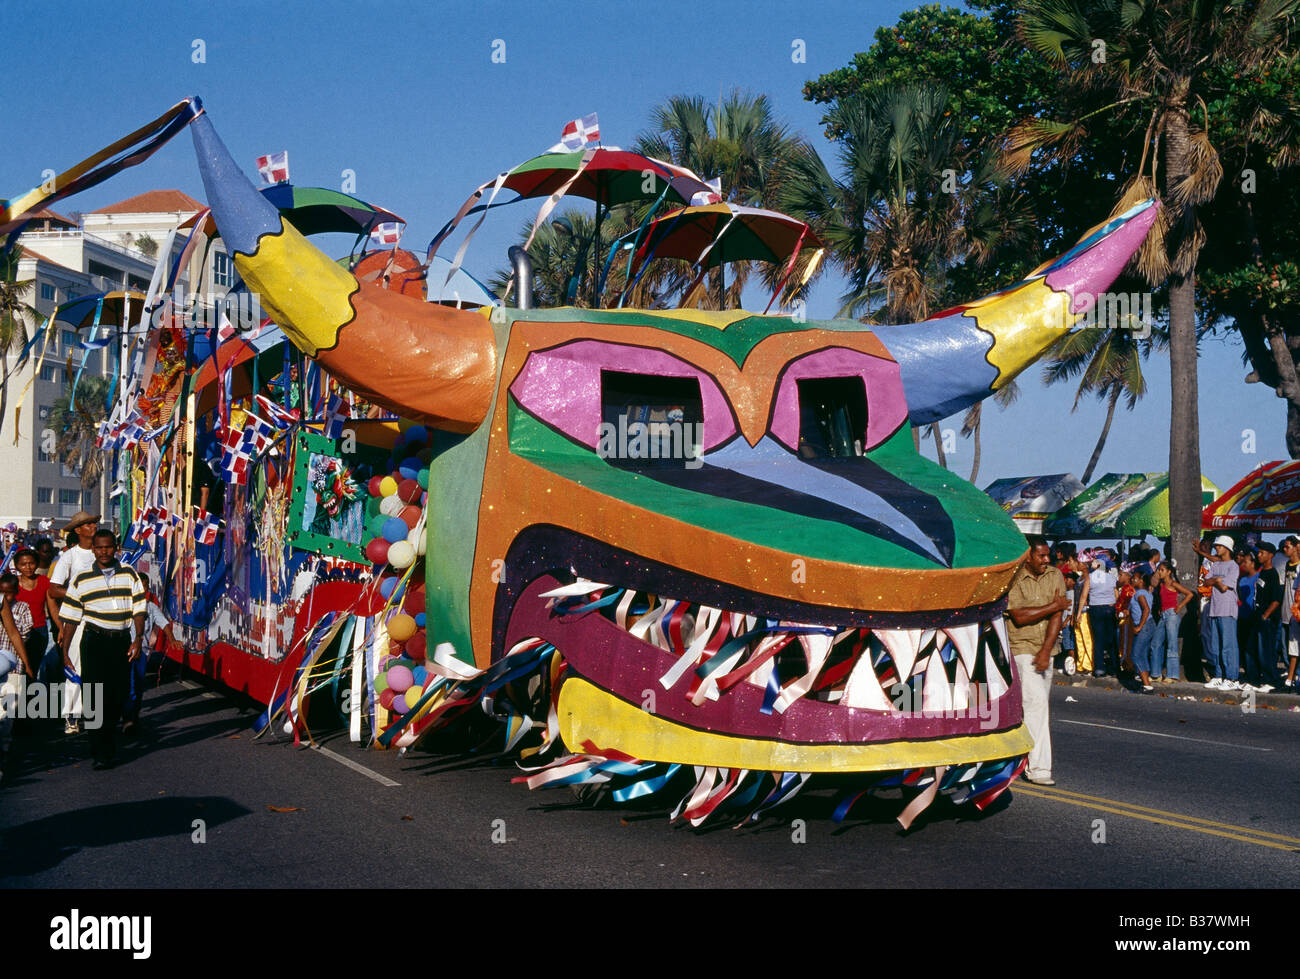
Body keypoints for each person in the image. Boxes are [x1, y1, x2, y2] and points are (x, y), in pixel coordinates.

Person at [58, 530, 146, 770]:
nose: (104, 552)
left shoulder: (129, 574)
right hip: (93, 642)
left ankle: (105, 741)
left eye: (108, 547)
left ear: (115, 547)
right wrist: (65, 652)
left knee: (117, 697)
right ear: (93, 549)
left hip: (120, 642)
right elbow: (71, 619)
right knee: (94, 697)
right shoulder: (82, 578)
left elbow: (139, 610)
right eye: (99, 548)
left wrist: (138, 639)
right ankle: (101, 753)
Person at [1006, 536, 1068, 786]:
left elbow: (1058, 615)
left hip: (1046, 650)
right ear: (1028, 556)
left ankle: (1017, 757)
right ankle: (1039, 768)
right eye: (1041, 556)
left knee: (1032, 709)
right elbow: (1019, 616)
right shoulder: (1015, 578)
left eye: (1047, 555)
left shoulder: (1055, 576)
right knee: (1037, 704)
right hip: (1020, 647)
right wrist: (1052, 605)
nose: (1046, 560)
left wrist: (1046, 650)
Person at [49, 511, 99, 734]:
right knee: (75, 664)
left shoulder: (104, 553)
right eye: (87, 524)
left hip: (103, 617)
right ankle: (71, 716)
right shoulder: (69, 556)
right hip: (78, 618)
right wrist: (79, 593)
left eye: (94, 523)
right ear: (78, 530)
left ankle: (99, 713)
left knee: (100, 666)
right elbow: (53, 589)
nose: (93, 526)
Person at [1193, 534, 1241, 690]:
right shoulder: (1215, 566)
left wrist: (1215, 581)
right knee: (1215, 645)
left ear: (1227, 548)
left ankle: (1232, 677)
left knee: (1228, 645)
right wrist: (1216, 580)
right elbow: (1206, 581)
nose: (1216, 548)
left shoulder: (1233, 566)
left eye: (1219, 546)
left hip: (1227, 609)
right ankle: (1219, 676)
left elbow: (1224, 587)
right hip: (1214, 609)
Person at [0, 572, 35, 778]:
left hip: (10, 666)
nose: (5, 596)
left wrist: (27, 663)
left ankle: (4, 752)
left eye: (9, 593)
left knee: (7, 714)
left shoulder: (18, 608)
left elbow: (15, 633)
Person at [1245, 540, 1285, 693]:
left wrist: (1265, 615)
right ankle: (1253, 680)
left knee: (1265, 650)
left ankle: (1271, 680)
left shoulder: (1273, 574)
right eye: (1259, 552)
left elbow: (1276, 599)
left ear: (1270, 555)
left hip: (1267, 619)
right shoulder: (1262, 572)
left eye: (1262, 553)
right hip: (1257, 615)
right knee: (1250, 648)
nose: (1259, 555)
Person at [1150, 561, 1193, 682]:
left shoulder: (1173, 583)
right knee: (1155, 643)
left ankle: (1172, 675)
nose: (1159, 572)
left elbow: (1189, 594)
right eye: (1159, 570)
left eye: (1162, 570)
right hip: (1163, 615)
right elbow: (1153, 582)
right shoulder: (1161, 584)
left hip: (1172, 615)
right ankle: (1155, 673)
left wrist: (1180, 606)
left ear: (1169, 572)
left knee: (1172, 645)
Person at [1079, 553, 1119, 677]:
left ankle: (1099, 668)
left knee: (1098, 640)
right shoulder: (1111, 577)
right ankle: (1114, 668)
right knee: (1112, 640)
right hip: (1109, 608)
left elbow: (1084, 596)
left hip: (1095, 609)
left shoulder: (1090, 578)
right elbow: (1116, 595)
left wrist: (1079, 612)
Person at [1128, 568, 1157, 693]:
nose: (1132, 579)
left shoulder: (1140, 594)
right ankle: (1146, 683)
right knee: (1142, 654)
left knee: (1136, 655)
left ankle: (1147, 684)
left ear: (1141, 581)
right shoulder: (1146, 593)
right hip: (1149, 625)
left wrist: (1139, 626)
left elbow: (1146, 610)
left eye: (1135, 577)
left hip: (1144, 626)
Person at [1281, 536, 1300, 690]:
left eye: (1288, 546)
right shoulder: (1289, 565)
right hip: (1289, 612)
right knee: (1289, 647)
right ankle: (1290, 676)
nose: (1285, 550)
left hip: (1296, 612)